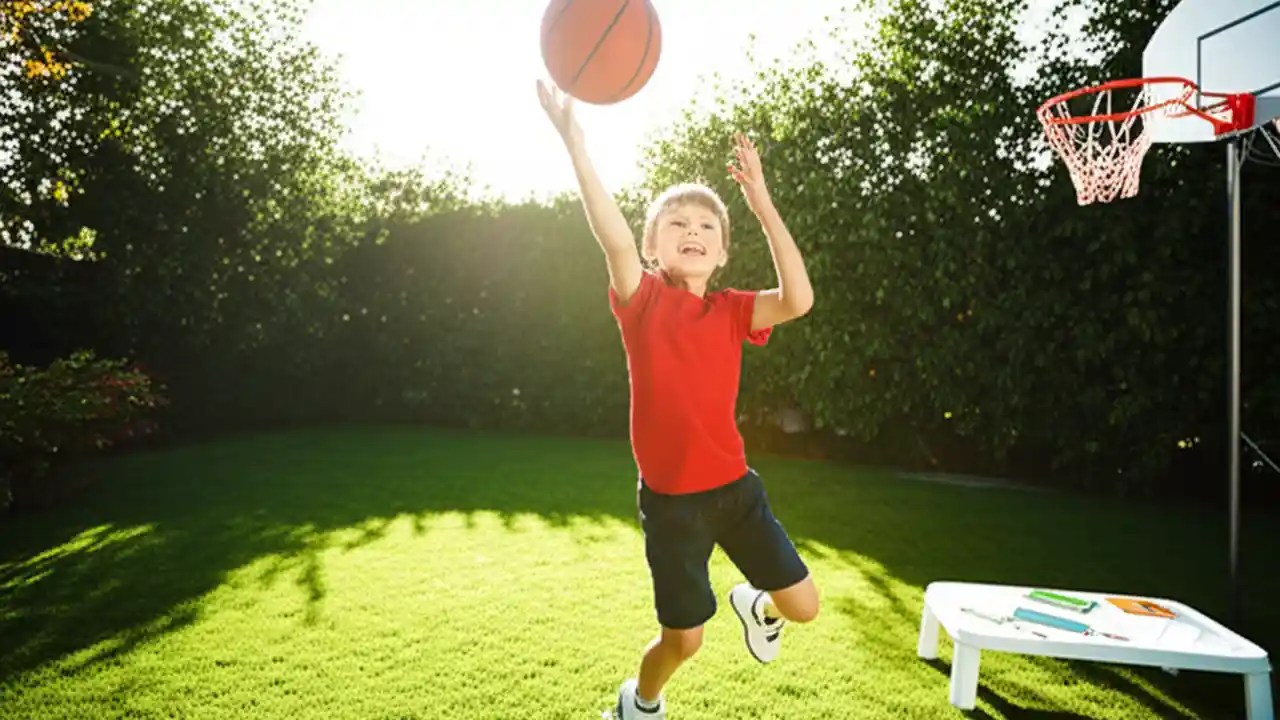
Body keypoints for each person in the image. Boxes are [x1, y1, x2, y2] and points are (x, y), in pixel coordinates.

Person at [536, 80, 820, 720]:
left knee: (803, 606)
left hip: (737, 492)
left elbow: (798, 299)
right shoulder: (642, 302)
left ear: (721, 252)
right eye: (677, 224)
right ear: (652, 246)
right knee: (683, 641)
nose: (693, 231)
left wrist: (762, 204)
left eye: (706, 227)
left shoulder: (731, 310)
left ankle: (757, 605)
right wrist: (578, 148)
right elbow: (610, 237)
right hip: (673, 509)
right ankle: (639, 703)